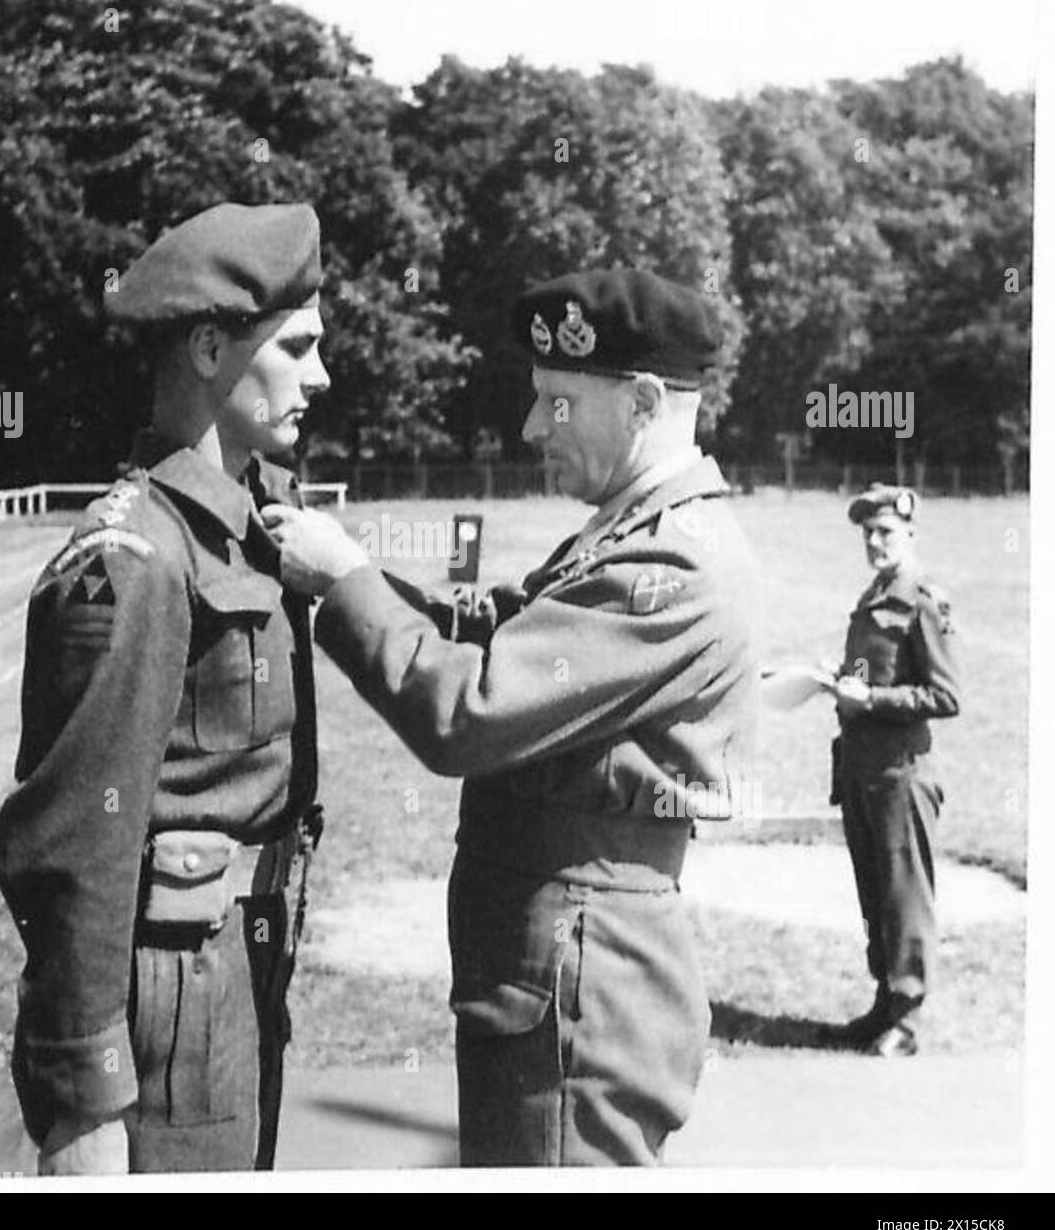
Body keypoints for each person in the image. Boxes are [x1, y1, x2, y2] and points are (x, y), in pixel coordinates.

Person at [266, 268, 759, 1166]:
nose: (534, 428)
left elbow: (467, 709)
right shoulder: (632, 534)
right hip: (561, 969)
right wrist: (357, 573)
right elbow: (499, 629)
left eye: (558, 404)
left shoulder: (670, 568)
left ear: (644, 401)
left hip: (580, 980)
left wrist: (342, 583)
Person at [0, 201, 330, 1174]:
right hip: (162, 1001)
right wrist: (84, 1103)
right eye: (299, 346)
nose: (322, 375)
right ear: (212, 347)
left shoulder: (248, 522)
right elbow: (74, 847)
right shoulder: (135, 556)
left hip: (239, 963)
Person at [826, 484, 960, 1056]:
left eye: (885, 532)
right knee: (875, 893)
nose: (874, 542)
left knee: (905, 898)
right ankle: (884, 1003)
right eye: (867, 533)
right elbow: (864, 672)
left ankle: (905, 1020)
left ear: (910, 533)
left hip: (902, 775)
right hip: (862, 769)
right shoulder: (874, 598)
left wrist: (873, 701)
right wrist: (836, 680)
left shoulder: (922, 602)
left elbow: (945, 696)